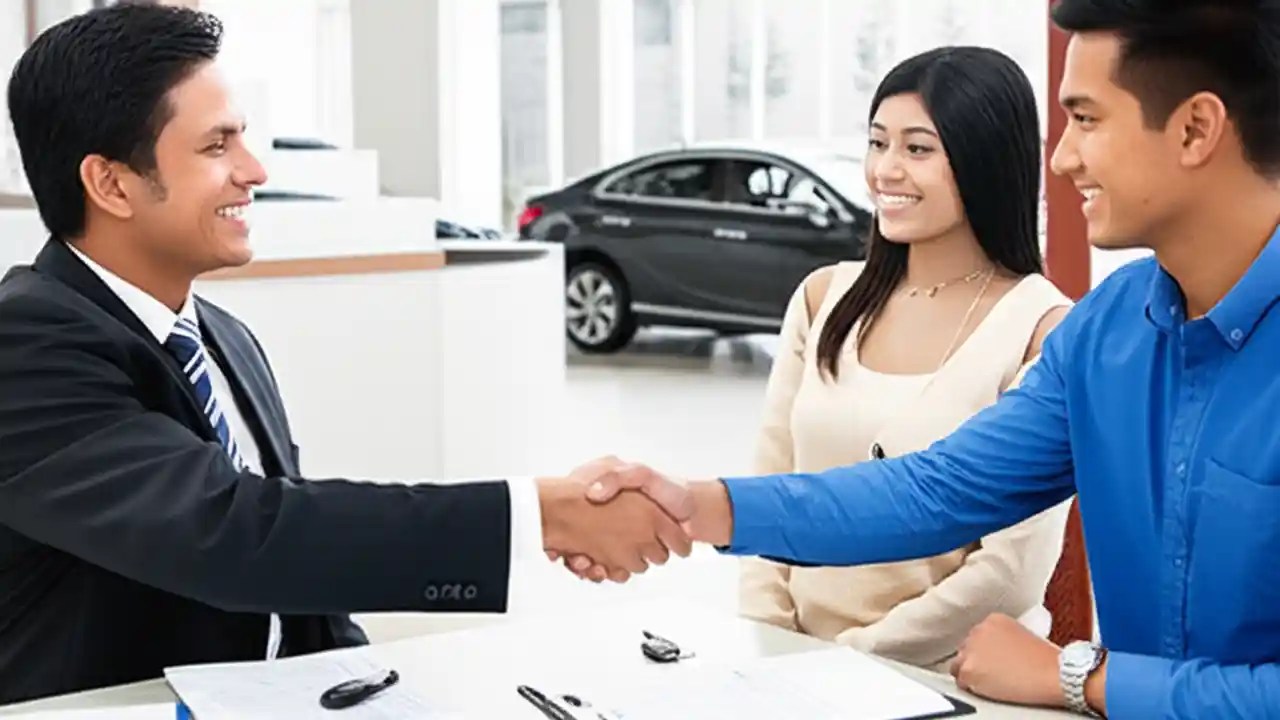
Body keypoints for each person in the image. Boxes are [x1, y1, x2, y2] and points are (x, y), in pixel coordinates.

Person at [585, 0, 1280, 716]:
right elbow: (936, 491)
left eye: (1087, 118)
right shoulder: (1111, 330)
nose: (1064, 156)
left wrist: (1078, 677)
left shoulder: (1054, 318)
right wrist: (700, 506)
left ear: (1195, 129)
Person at [0, 5, 685, 705]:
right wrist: (545, 516)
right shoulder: (25, 343)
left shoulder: (222, 335)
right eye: (217, 147)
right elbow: (236, 534)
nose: (254, 170)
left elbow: (298, 567)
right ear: (111, 183)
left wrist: (368, 690)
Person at [738, 46, 1071, 672]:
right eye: (877, 143)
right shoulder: (823, 297)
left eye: (918, 149)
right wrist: (773, 641)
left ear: (985, 159)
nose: (885, 170)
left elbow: (1010, 575)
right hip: (787, 669)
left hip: (953, 678)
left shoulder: (1044, 327)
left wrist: (848, 660)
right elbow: (768, 485)